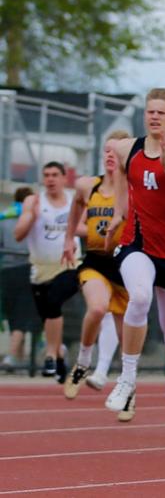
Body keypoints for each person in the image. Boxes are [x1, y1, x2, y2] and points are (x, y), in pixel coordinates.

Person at [102, 88, 165, 430]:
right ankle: (127, 379)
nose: (155, 117)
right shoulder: (126, 148)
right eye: (150, 111)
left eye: (161, 112)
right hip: (137, 244)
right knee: (140, 297)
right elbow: (120, 178)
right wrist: (118, 215)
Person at [60, 130, 131, 404]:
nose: (111, 155)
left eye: (117, 152)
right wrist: (69, 238)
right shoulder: (87, 186)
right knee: (98, 308)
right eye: (107, 150)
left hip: (124, 265)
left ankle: (128, 387)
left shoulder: (134, 191)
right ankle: (82, 362)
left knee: (127, 337)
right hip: (96, 261)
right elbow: (76, 207)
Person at [13, 162, 80, 384]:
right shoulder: (34, 201)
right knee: (49, 317)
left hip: (69, 265)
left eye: (55, 175)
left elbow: (87, 228)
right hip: (40, 270)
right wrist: (31, 217)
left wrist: (77, 232)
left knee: (54, 300)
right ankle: (59, 357)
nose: (50, 179)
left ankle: (50, 355)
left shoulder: (74, 200)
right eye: (46, 175)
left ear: (64, 178)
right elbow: (18, 235)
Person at [2, 187, 37, 370]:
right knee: (22, 314)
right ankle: (12, 357)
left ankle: (19, 357)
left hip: (6, 271)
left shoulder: (3, 218)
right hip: (27, 269)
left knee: (11, 313)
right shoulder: (32, 218)